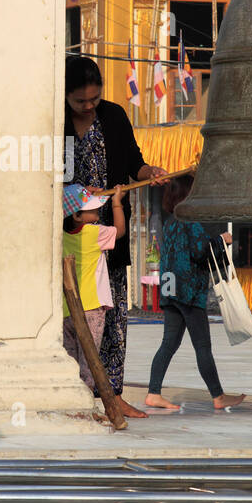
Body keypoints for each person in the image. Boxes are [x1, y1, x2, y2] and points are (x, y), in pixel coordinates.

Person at [65, 55, 167, 421]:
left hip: (112, 233)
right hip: (73, 239)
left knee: (113, 321)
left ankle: (113, 394)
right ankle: (79, 394)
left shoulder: (113, 116)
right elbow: (52, 178)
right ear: (65, 96)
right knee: (74, 325)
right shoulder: (57, 123)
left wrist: (149, 171)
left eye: (94, 98)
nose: (89, 106)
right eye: (81, 101)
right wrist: (79, 194)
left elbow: (133, 162)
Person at [144, 175, 247, 411]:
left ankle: (153, 392)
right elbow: (201, 252)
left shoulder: (170, 222)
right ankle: (218, 396)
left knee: (168, 343)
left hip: (170, 289)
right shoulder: (191, 221)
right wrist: (222, 240)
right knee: (202, 346)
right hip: (188, 291)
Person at [61, 183, 126, 393]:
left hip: (65, 310)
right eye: (91, 208)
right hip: (91, 308)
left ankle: (72, 399)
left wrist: (84, 193)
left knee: (70, 361)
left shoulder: (60, 237)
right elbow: (120, 231)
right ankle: (86, 399)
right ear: (77, 216)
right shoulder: (93, 233)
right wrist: (117, 204)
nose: (97, 209)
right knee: (89, 361)